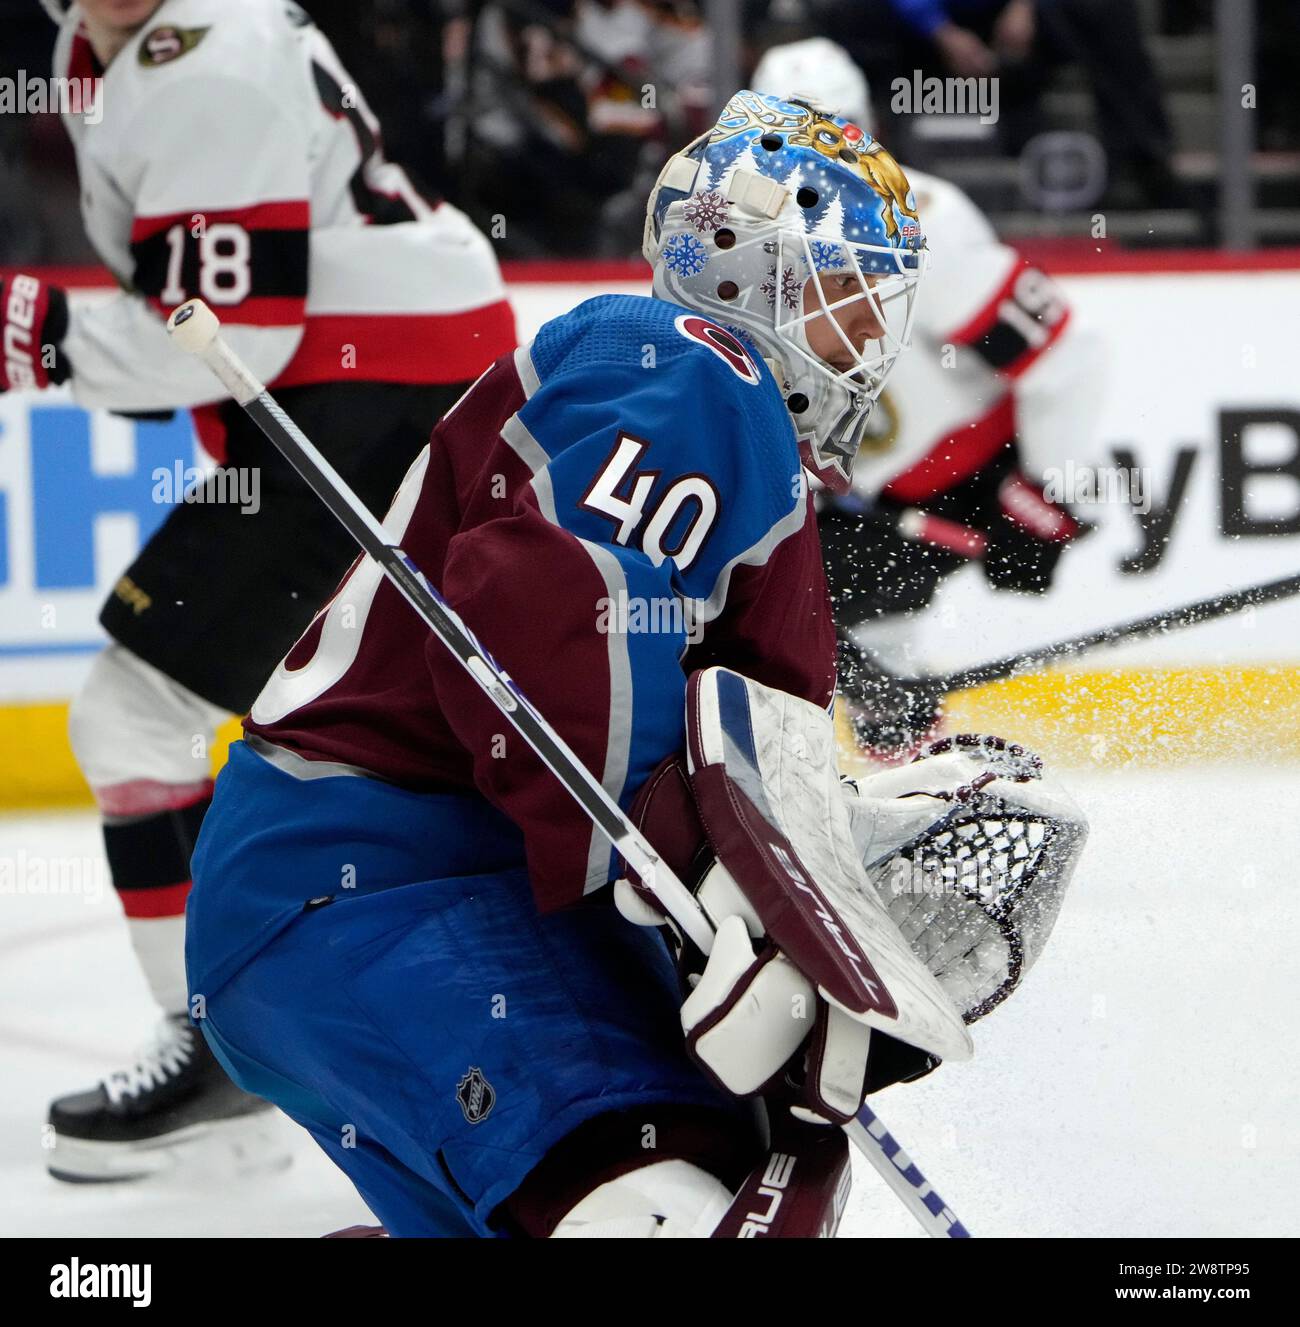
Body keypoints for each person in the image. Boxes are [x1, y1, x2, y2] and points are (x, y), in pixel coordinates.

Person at [182, 89, 945, 1237]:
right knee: (671, 1209)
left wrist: (803, 883)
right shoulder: (695, 367)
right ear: (748, 272)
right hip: (386, 884)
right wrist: (705, 881)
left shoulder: (723, 427)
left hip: (383, 898)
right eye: (842, 293)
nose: (865, 336)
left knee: (738, 1172)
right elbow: (555, 609)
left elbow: (698, 723)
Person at [2, 0, 515, 1182]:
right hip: (383, 385)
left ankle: (227, 1058)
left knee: (138, 718)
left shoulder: (205, 58)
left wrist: (27, 336)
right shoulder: (127, 43)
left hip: (373, 395)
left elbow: (226, 325)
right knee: (341, 733)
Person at [753, 38, 1104, 755]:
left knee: (842, 626)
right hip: (854, 497)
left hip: (969, 479)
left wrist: (1044, 495)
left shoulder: (922, 228)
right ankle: (896, 778)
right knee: (834, 641)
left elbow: (1068, 353)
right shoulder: (734, 243)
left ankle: (903, 776)